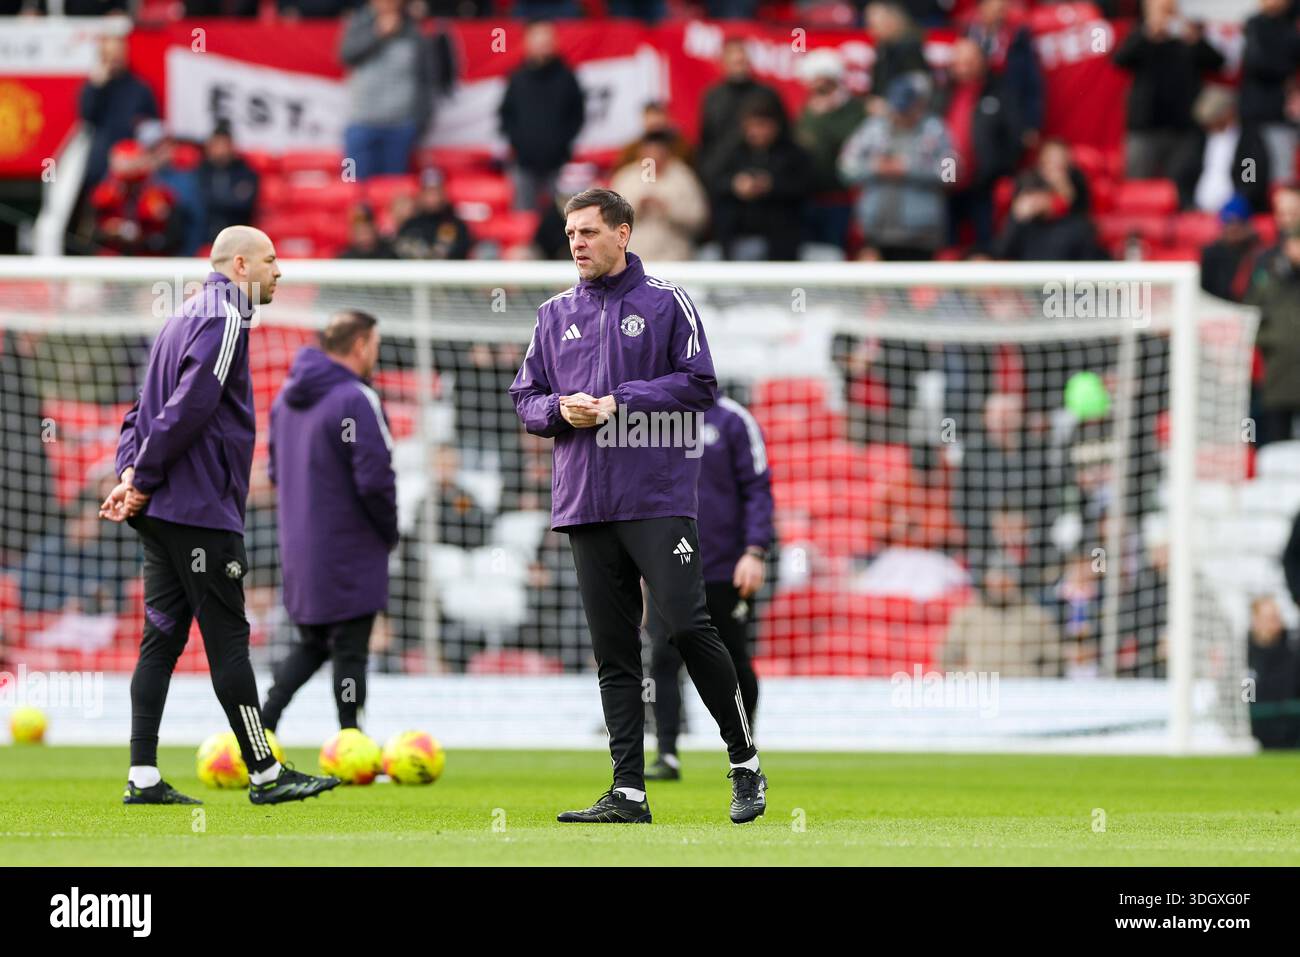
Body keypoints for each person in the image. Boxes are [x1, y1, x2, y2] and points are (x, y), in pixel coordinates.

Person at [510, 187, 766, 825]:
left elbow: (700, 384)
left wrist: (619, 400)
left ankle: (744, 763)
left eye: (589, 232)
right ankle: (627, 790)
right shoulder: (552, 314)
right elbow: (525, 396)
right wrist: (556, 410)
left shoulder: (668, 302)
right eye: (570, 234)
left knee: (686, 625)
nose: (577, 244)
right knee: (613, 650)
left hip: (655, 498)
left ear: (623, 234)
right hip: (584, 502)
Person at [101, 225, 339, 806]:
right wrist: (145, 478)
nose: (279, 272)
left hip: (161, 509)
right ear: (240, 265)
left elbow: (139, 410)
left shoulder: (180, 316)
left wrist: (130, 476)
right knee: (229, 640)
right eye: (272, 261)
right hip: (198, 510)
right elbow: (190, 406)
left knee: (159, 640)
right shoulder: (226, 314)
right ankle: (263, 772)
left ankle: (143, 776)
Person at [261, 311, 398, 734]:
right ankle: (351, 740)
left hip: (300, 544)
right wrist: (388, 531)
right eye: (374, 345)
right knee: (351, 649)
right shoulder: (355, 398)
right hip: (350, 543)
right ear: (360, 345)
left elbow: (274, 473)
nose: (376, 354)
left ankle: (262, 725)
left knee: (314, 644)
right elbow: (375, 478)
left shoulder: (285, 400)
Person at [645, 395, 773, 781]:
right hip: (669, 564)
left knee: (733, 656)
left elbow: (758, 488)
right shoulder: (654, 420)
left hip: (726, 567)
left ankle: (744, 752)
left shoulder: (734, 420)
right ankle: (666, 753)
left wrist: (755, 551)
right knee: (662, 659)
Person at [1112, 0, 1224, 204]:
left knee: (1179, 189)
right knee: (1137, 187)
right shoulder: (1139, 34)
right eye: (1159, 9)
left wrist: (1195, 39)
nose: (1165, 15)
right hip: (1145, 128)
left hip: (1183, 128)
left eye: (1169, 9)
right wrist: (1147, 35)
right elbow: (1119, 61)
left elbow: (1218, 62)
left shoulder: (1187, 33)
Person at [839, 74, 953, 260]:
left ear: (918, 105)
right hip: (876, 229)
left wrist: (909, 168)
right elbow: (845, 166)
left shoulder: (935, 129)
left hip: (921, 232)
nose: (900, 115)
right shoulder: (873, 128)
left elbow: (951, 173)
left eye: (906, 109)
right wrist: (874, 167)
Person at [339, 0, 439, 180]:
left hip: (401, 125)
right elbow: (346, 55)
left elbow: (427, 79)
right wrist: (377, 34)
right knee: (354, 186)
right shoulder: (359, 22)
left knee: (394, 191)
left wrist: (421, 120)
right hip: (362, 121)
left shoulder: (415, 30)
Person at [940, 37, 1023, 252]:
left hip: (984, 186)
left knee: (986, 248)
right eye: (959, 60)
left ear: (982, 61)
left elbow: (1014, 137)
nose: (964, 66)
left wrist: (995, 170)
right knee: (947, 248)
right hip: (944, 186)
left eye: (970, 60)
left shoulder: (1000, 91)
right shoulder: (941, 93)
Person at [704, 97, 812, 261]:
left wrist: (771, 185)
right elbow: (712, 180)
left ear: (776, 126)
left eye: (764, 125)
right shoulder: (731, 152)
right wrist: (735, 185)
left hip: (781, 242)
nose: (758, 132)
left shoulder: (793, 154)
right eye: (753, 125)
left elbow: (806, 186)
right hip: (735, 240)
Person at [498, 20, 586, 212]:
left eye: (547, 39)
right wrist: (518, 143)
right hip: (523, 164)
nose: (543, 45)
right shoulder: (517, 77)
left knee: (562, 218)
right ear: (528, 43)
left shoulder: (567, 77)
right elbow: (505, 115)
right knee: (523, 220)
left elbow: (577, 115)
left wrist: (561, 144)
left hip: (558, 163)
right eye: (538, 39)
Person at [794, 47, 866, 252]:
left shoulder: (855, 109)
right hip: (809, 197)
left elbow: (852, 146)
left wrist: (825, 118)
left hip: (841, 199)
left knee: (835, 251)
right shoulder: (808, 110)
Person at [609, 130, 709, 263]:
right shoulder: (625, 178)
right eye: (649, 151)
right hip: (633, 260)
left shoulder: (683, 177)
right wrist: (636, 208)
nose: (654, 156)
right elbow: (610, 219)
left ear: (667, 152)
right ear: (641, 152)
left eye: (658, 151)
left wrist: (668, 210)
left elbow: (699, 218)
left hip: (675, 259)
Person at [78, 34, 159, 195]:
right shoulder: (95, 87)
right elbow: (87, 116)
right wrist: (96, 87)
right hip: (102, 165)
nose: (115, 60)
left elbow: (152, 127)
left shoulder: (140, 88)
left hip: (134, 168)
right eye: (110, 55)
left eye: (118, 54)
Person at [696, 37, 785, 180]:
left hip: (764, 173)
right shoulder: (713, 97)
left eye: (742, 58)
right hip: (723, 174)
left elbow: (784, 136)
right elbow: (706, 140)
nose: (739, 62)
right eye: (734, 59)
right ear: (723, 62)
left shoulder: (767, 95)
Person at [1247, 223, 1300, 446]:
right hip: (1277, 377)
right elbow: (1249, 319)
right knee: (1277, 446)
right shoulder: (1267, 280)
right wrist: (1274, 340)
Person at [1239, 0, 1300, 187]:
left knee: (1281, 172)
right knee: (1249, 167)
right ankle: (1247, 200)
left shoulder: (1291, 25)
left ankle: (1281, 208)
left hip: (1280, 115)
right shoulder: (1255, 24)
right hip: (1253, 114)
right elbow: (1256, 62)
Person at [196, 124, 259, 248]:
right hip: (204, 237)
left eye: (223, 145)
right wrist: (230, 197)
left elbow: (243, 205)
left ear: (231, 147)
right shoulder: (200, 172)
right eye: (216, 145)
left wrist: (214, 200)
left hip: (238, 239)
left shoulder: (245, 172)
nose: (220, 150)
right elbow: (199, 203)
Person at [393, 168, 472, 260]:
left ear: (444, 193)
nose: (433, 198)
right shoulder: (410, 225)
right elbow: (399, 252)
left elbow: (461, 254)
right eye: (429, 192)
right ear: (421, 194)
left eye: (436, 191)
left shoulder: (457, 226)